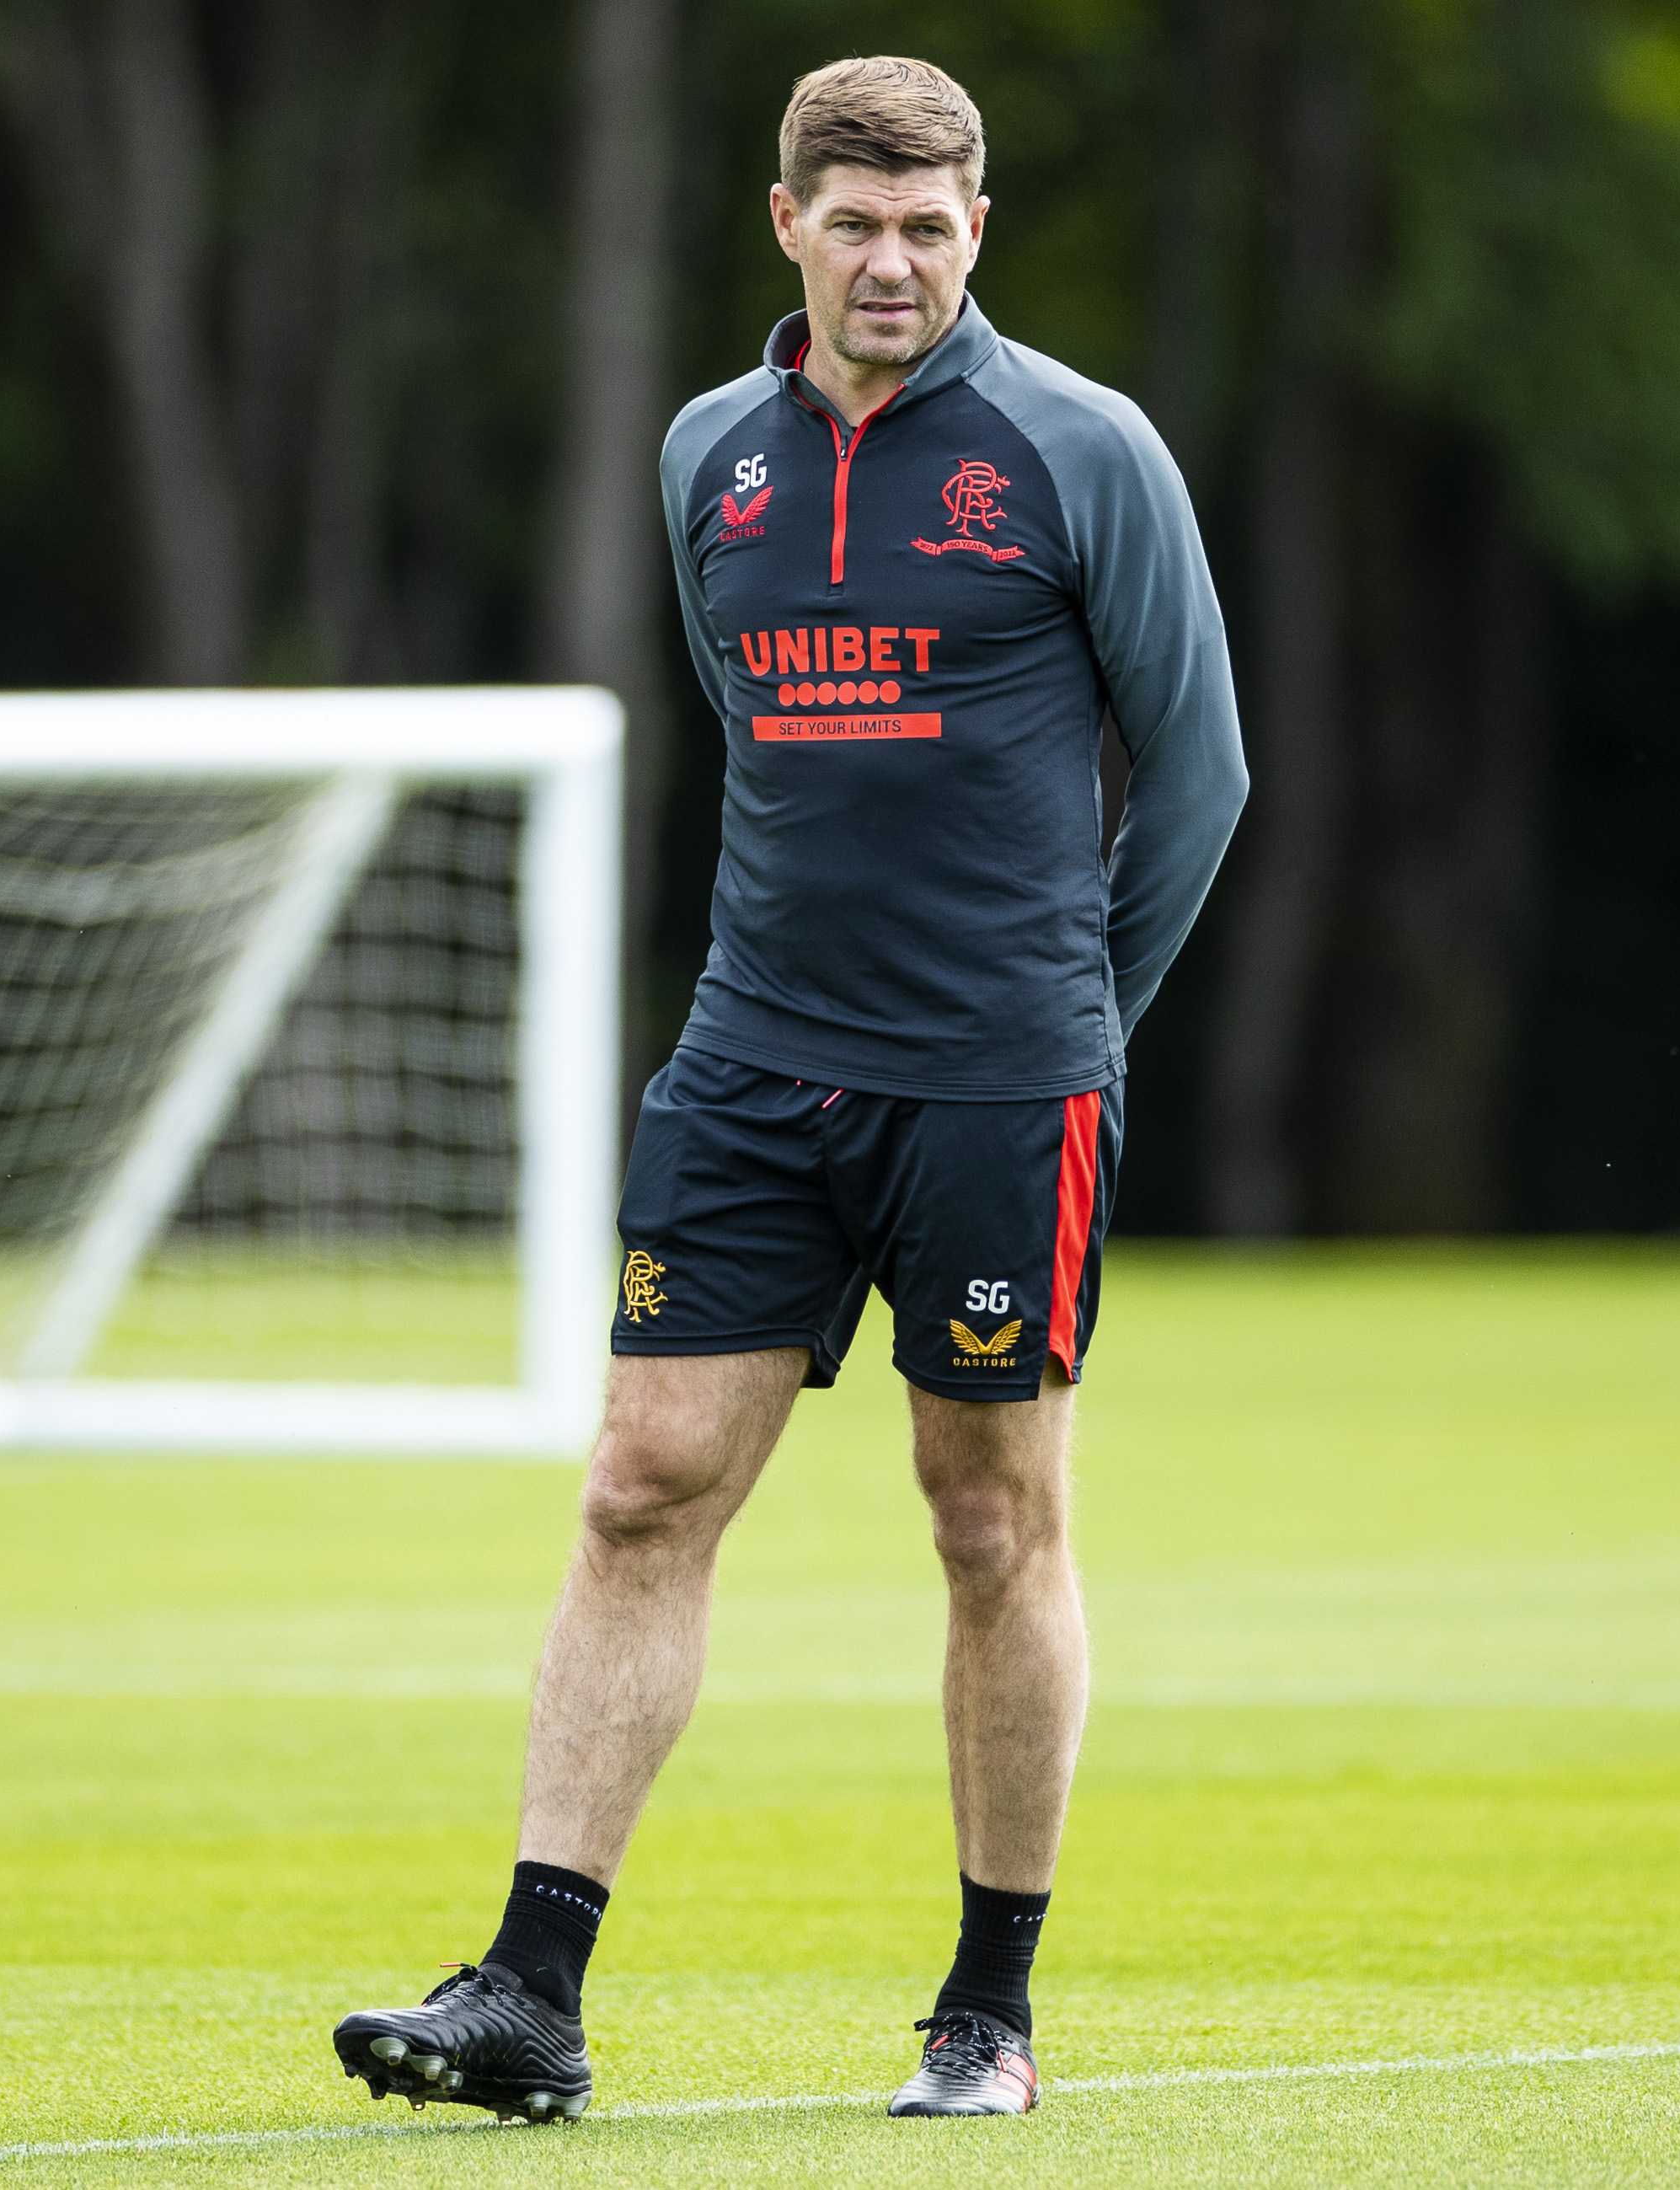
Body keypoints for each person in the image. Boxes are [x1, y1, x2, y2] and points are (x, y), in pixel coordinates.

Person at [330, 52, 1246, 2125]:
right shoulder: (705, 455)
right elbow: (748, 717)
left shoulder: (1081, 448)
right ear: (785, 227)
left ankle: (984, 2012)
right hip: (751, 1062)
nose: (889, 260)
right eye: (853, 223)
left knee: (985, 1517)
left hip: (1000, 1086)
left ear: (975, 231)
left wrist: (1070, 1018)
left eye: (926, 226)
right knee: (637, 1482)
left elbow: (1196, 775)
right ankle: (528, 1995)